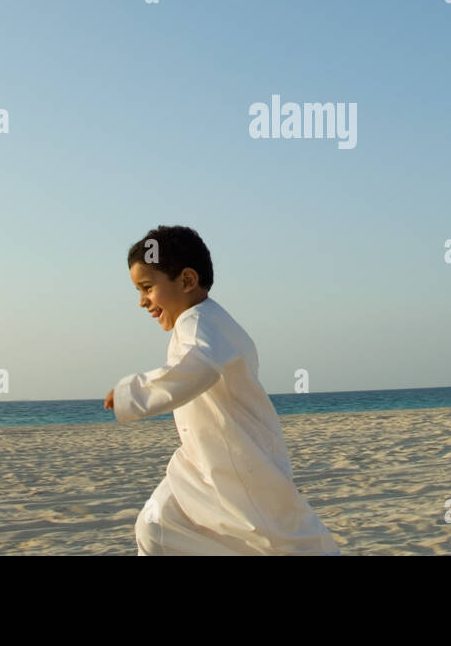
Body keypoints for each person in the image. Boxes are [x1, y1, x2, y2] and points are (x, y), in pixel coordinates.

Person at [104, 225, 341, 556]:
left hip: (242, 463)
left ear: (187, 281)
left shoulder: (201, 323)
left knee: (281, 542)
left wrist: (134, 394)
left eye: (147, 287)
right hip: (196, 464)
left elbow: (196, 368)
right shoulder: (201, 322)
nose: (142, 301)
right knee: (155, 525)